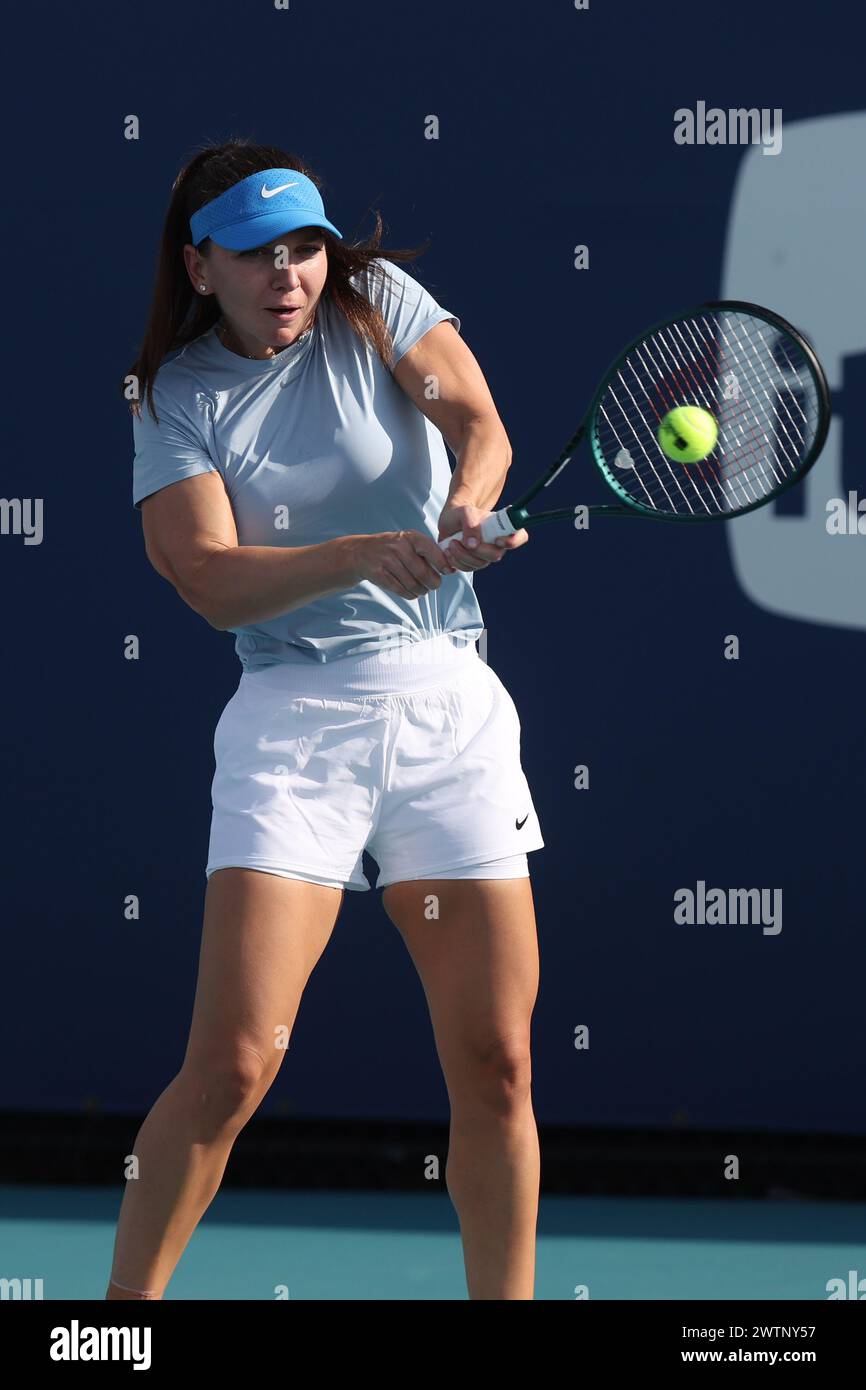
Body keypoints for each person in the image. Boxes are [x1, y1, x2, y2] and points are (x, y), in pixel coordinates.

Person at [108, 138, 544, 1301]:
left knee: (497, 1063)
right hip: (296, 725)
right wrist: (355, 556)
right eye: (255, 256)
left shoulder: (376, 302)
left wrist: (463, 507)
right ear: (199, 268)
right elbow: (202, 575)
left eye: (303, 247)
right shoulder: (173, 396)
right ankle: (115, 1325)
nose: (289, 274)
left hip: (445, 702)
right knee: (236, 1061)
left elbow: (481, 427)